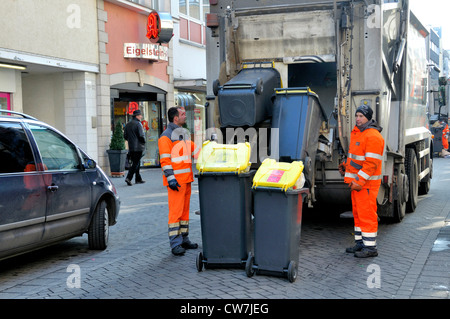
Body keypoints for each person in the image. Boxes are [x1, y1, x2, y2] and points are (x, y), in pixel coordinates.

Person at [339, 104, 385, 258]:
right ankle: (360, 244)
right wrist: (345, 167)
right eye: (357, 115)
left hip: (366, 184)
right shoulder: (359, 133)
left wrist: (359, 181)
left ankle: (371, 248)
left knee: (367, 215)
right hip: (358, 184)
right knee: (358, 215)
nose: (358, 119)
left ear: (368, 118)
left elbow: (371, 164)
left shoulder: (372, 136)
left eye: (361, 116)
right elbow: (356, 159)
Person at [158, 107, 201, 256]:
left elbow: (195, 151)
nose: (185, 116)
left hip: (186, 180)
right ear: (175, 118)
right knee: (175, 213)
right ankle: (175, 244)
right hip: (176, 182)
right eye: (182, 114)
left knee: (184, 213)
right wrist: (171, 179)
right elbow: (164, 160)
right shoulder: (166, 137)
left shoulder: (182, 134)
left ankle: (184, 239)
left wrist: (211, 152)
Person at [124, 109, 146, 186]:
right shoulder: (138, 124)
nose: (141, 116)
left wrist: (131, 141)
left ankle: (138, 178)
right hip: (138, 147)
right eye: (140, 115)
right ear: (137, 116)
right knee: (135, 163)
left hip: (131, 147)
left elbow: (125, 136)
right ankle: (129, 178)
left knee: (137, 162)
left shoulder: (128, 124)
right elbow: (141, 135)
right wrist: (143, 142)